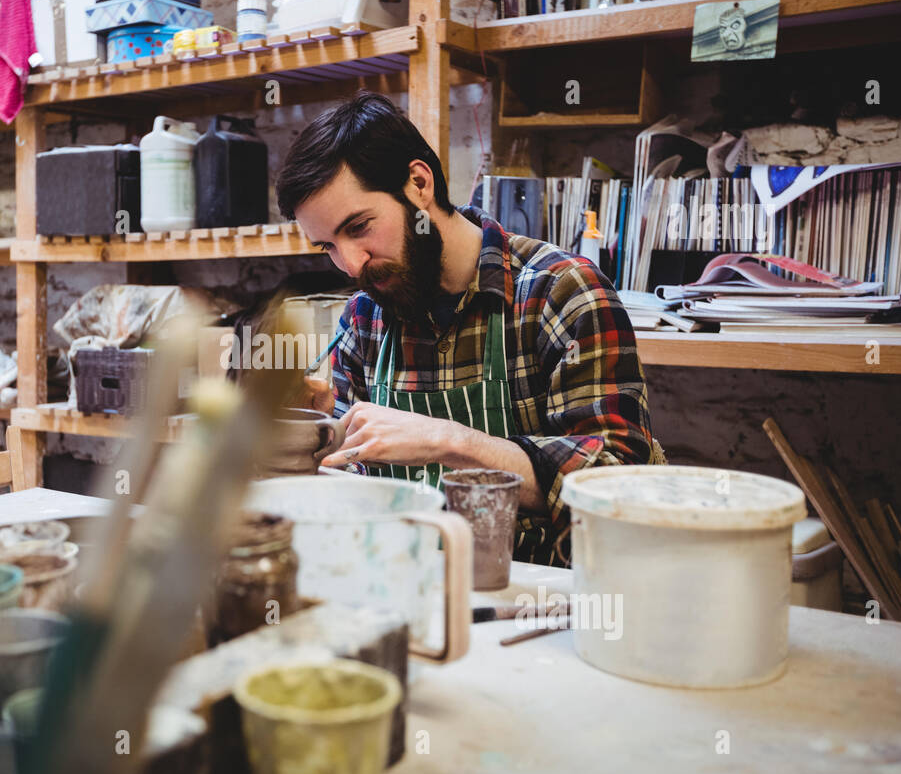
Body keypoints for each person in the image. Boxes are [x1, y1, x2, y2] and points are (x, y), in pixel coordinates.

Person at [277, 91, 662, 564]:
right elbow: (352, 487)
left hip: (540, 604)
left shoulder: (560, 292)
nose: (352, 266)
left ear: (419, 183)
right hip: (404, 584)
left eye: (358, 227)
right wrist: (314, 438)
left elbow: (619, 483)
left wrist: (450, 442)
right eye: (328, 247)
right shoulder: (365, 317)